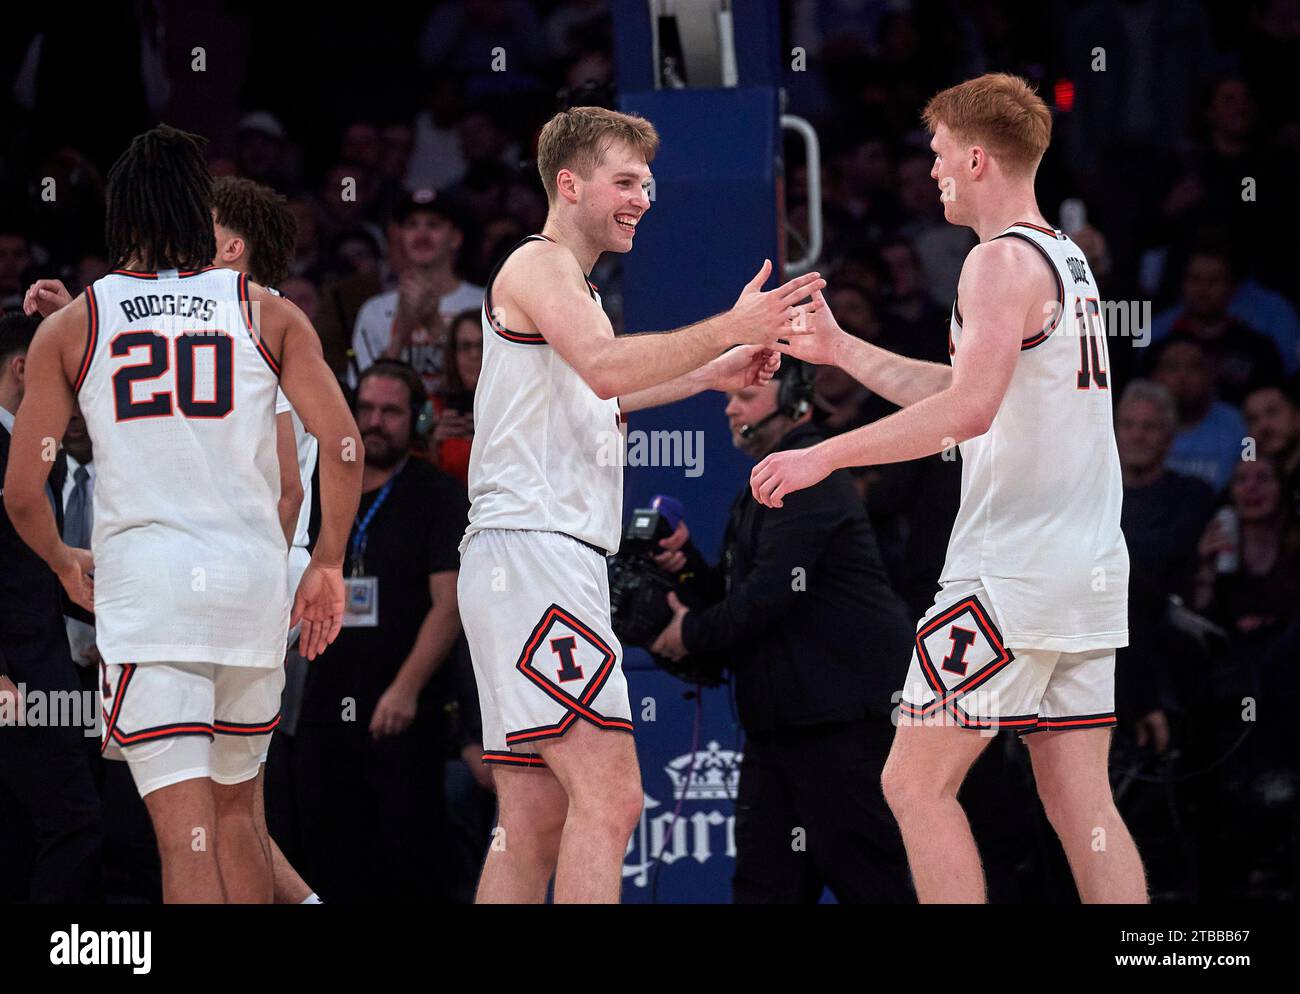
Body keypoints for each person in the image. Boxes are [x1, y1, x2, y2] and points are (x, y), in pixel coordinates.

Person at [752, 74, 1146, 903]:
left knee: (912, 783)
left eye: (936, 156)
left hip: (1009, 574)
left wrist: (824, 455)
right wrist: (847, 352)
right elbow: (977, 392)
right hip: (1086, 571)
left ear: (974, 157)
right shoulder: (1065, 258)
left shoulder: (995, 262)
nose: (931, 172)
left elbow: (966, 412)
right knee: (1081, 801)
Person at [458, 105, 821, 904]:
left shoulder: (573, 286)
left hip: (531, 559)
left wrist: (711, 373)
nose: (643, 198)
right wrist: (731, 323)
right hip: (534, 557)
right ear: (569, 182)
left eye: (648, 183)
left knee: (532, 823)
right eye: (625, 181)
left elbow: (600, 393)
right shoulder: (540, 264)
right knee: (613, 796)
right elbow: (603, 367)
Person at [3, 125, 362, 904]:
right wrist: (328, 561)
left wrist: (65, 565)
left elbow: (23, 493)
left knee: (185, 840)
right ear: (201, 218)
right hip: (250, 592)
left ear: (119, 218)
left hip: (151, 594)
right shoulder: (269, 312)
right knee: (238, 819)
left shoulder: (75, 324)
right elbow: (341, 447)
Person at [649, 362, 915, 904]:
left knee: (872, 883)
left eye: (746, 395)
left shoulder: (808, 474)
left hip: (838, 729)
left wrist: (690, 634)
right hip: (782, 730)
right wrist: (687, 569)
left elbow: (770, 596)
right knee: (764, 889)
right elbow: (745, 592)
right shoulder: (771, 478)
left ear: (795, 399)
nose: (729, 408)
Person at [0, 313, 103, 903]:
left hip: (43, 672)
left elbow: (42, 567)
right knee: (75, 819)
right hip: (17, 680)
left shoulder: (45, 459)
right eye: (66, 377)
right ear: (24, 370)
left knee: (29, 828)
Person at [348, 189, 484, 395]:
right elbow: (361, 393)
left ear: (455, 238)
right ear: (400, 237)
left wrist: (435, 326)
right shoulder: (374, 310)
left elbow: (492, 383)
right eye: (412, 225)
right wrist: (401, 333)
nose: (421, 235)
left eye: (433, 224)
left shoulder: (483, 303)